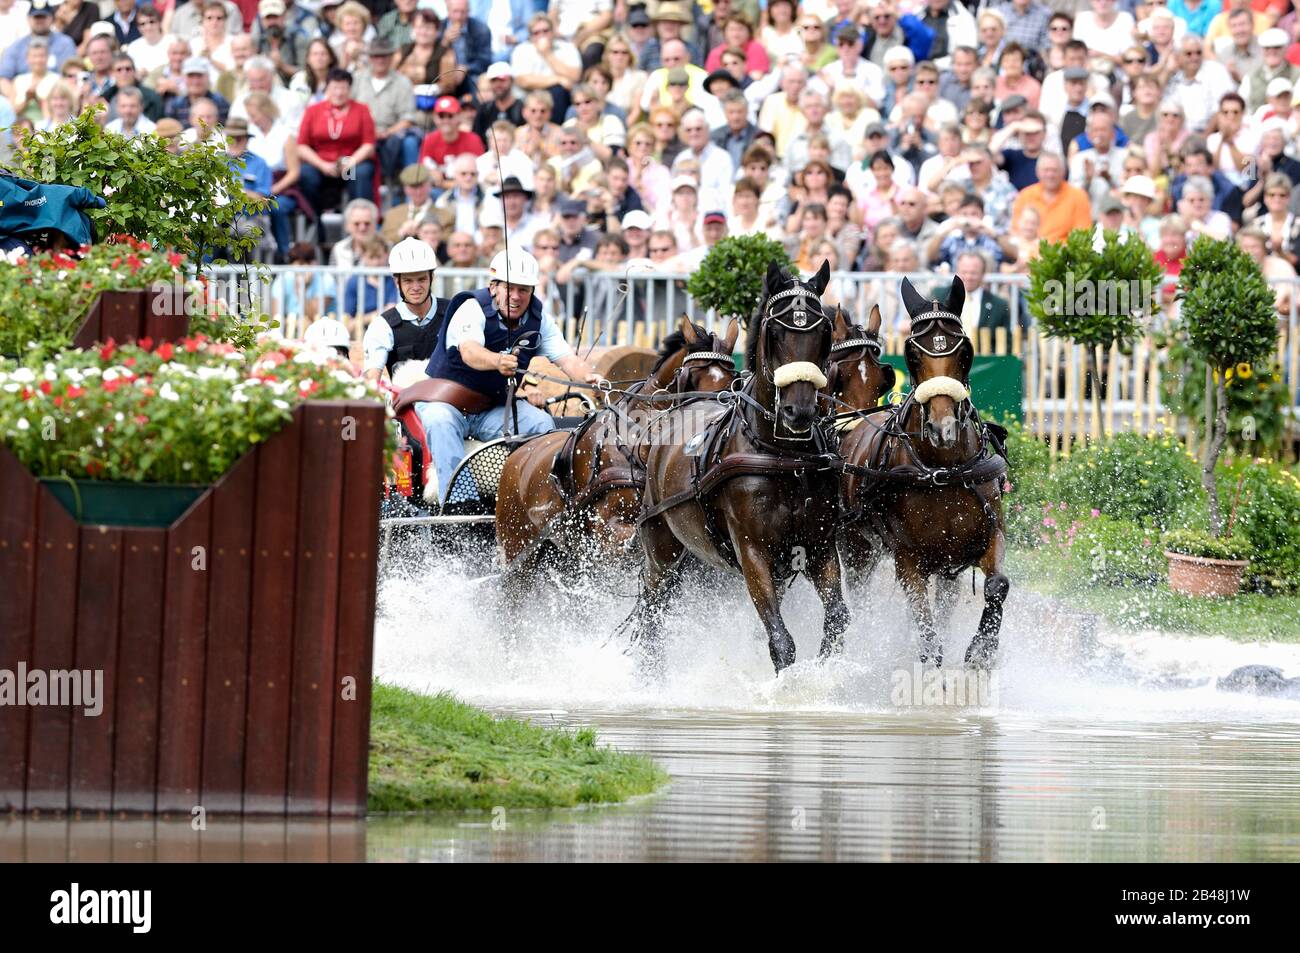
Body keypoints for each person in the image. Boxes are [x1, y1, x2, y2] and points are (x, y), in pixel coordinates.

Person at [414, 248, 601, 504]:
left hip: (492, 409)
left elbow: (568, 360)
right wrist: (497, 361)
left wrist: (594, 379)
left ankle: (537, 501)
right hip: (446, 402)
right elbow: (469, 351)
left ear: (532, 291)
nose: (516, 296)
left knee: (543, 426)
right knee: (439, 422)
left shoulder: (540, 320)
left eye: (523, 289)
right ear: (493, 287)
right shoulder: (471, 308)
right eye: (509, 288)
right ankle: (461, 506)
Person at [362, 235, 451, 383]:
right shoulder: (382, 325)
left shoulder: (453, 312)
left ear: (432, 277)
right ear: (397, 281)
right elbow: (372, 380)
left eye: (421, 279)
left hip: (450, 400)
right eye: (408, 281)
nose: (415, 287)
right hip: (404, 402)